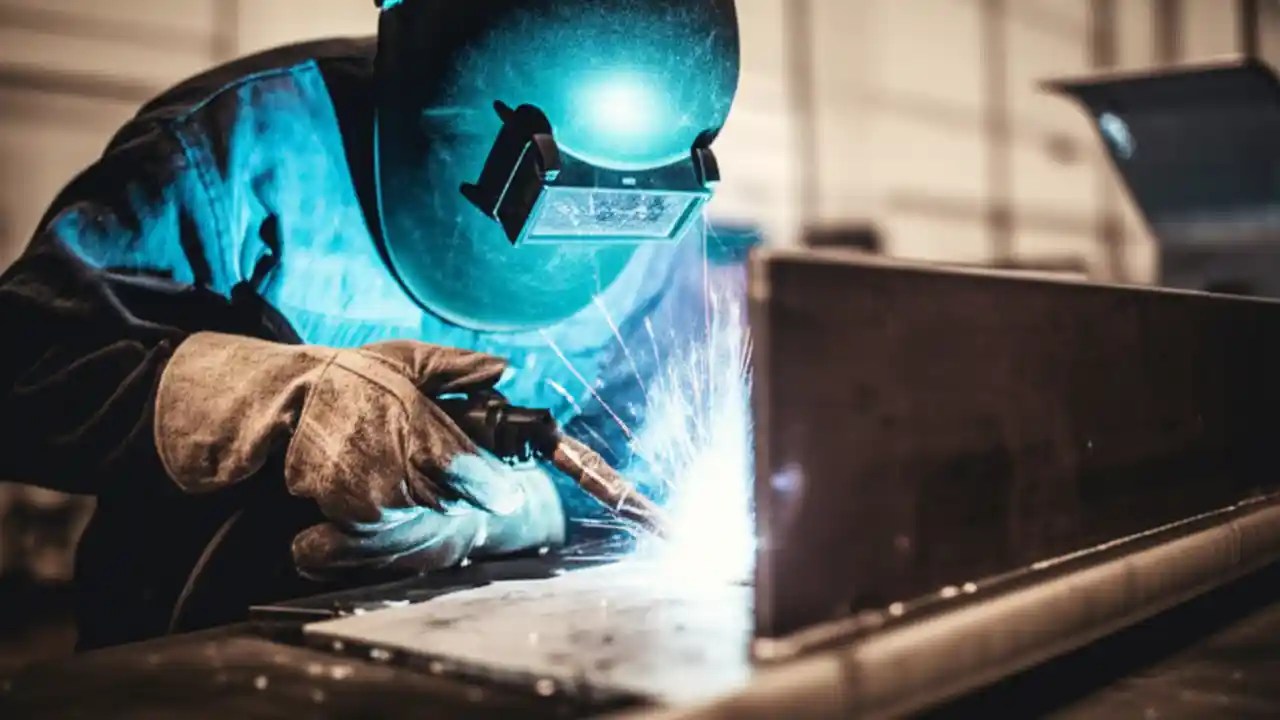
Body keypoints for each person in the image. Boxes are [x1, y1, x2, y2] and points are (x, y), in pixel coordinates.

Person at [0, 0, 740, 648]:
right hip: (197, 655)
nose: (603, 223)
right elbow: (22, 366)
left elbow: (643, 433)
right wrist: (263, 399)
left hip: (491, 660)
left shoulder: (653, 209)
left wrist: (530, 510)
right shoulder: (239, 148)